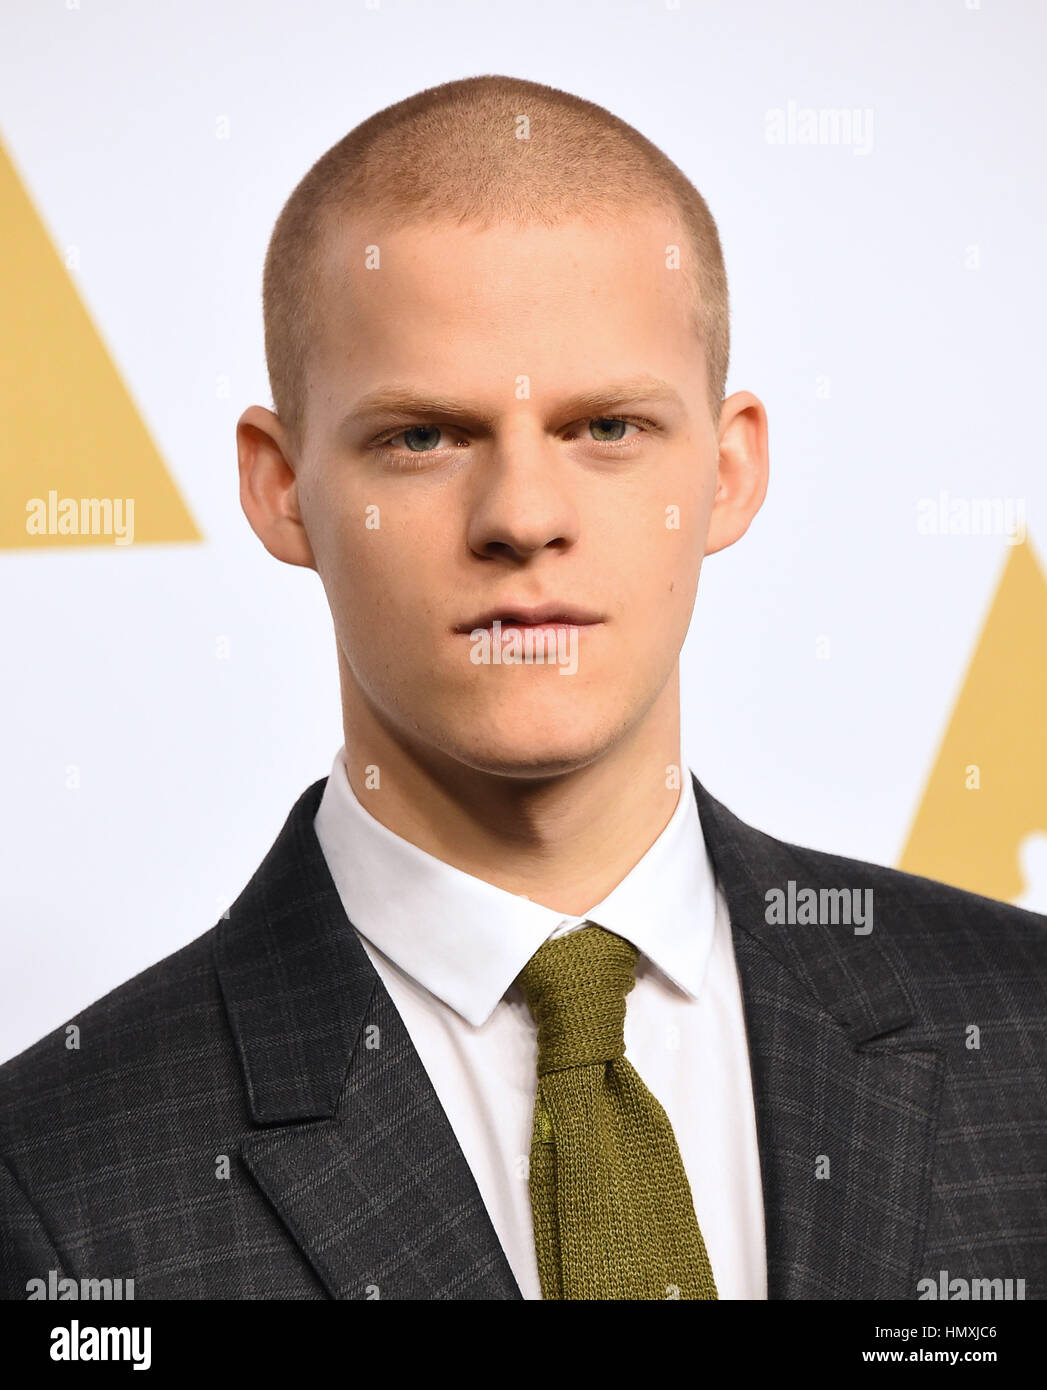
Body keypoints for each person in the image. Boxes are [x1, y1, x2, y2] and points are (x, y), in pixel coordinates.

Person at [2, 74, 1044, 1302]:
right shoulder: (50, 1186)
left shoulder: (1024, 1038)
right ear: (281, 486)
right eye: (423, 437)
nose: (524, 519)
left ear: (729, 469)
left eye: (606, 428)